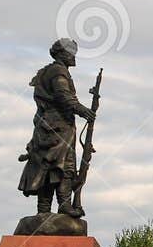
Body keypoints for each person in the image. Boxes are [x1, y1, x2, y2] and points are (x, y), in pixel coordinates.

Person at [18, 38, 95, 218]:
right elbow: (62, 95)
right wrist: (83, 110)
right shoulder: (58, 71)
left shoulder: (49, 71)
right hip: (58, 127)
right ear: (62, 54)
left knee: (49, 167)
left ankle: (44, 210)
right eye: (70, 52)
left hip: (49, 126)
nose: (74, 56)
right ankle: (64, 205)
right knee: (64, 166)